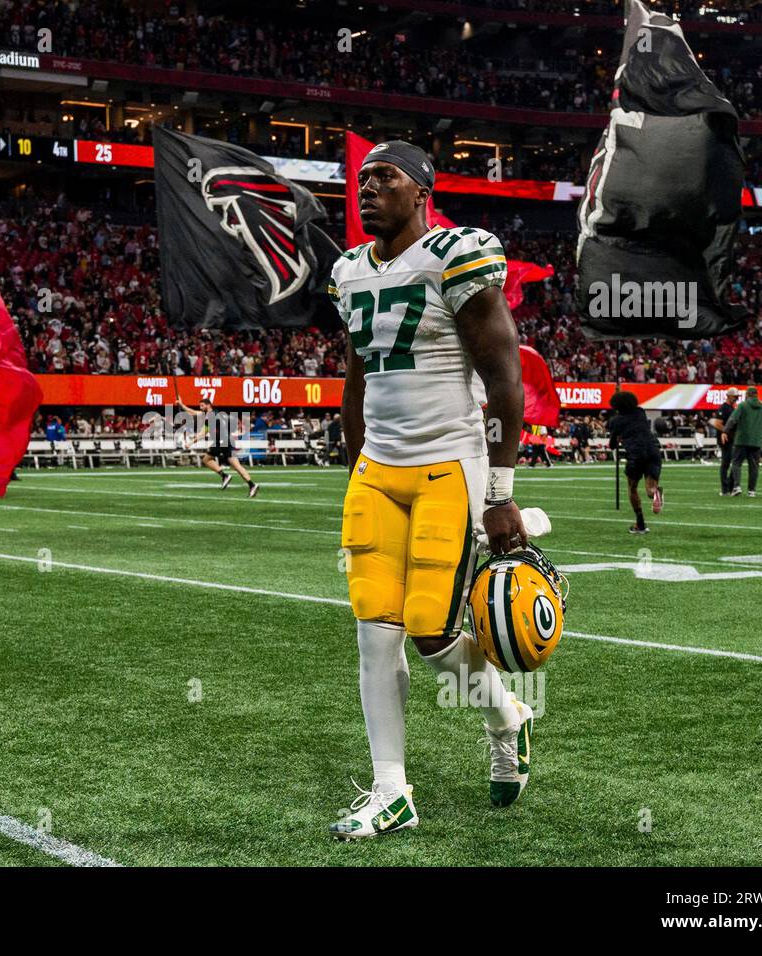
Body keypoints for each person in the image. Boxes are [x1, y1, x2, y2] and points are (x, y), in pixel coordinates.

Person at [327, 140, 533, 839]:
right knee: (372, 630)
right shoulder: (349, 271)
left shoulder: (457, 255)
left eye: (384, 178)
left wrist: (500, 491)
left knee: (433, 633)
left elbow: (505, 377)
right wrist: (357, 466)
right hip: (379, 472)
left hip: (449, 463)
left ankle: (506, 715)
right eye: (361, 180)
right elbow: (355, 384)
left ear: (421, 191)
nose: (368, 189)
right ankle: (392, 790)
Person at [176, 393, 259, 497]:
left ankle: (224, 475)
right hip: (227, 441)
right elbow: (197, 419)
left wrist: (191, 442)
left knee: (206, 459)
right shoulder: (213, 414)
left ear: (208, 405)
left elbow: (202, 429)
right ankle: (252, 485)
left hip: (220, 442)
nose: (201, 408)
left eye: (202, 406)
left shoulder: (210, 416)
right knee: (236, 466)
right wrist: (182, 406)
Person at [607, 391, 664, 533]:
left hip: (636, 454)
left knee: (632, 488)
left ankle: (640, 524)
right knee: (650, 489)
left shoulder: (615, 420)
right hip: (653, 450)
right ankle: (655, 492)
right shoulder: (640, 412)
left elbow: (613, 445)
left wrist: (618, 437)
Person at [725, 386, 762, 498]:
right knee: (754, 467)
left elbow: (733, 419)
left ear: (747, 394)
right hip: (756, 441)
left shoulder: (742, 405)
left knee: (736, 463)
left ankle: (736, 487)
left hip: (741, 440)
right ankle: (752, 490)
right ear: (757, 395)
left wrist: (725, 431)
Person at [709, 387, 739, 496]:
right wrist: (726, 431)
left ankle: (730, 486)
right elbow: (717, 423)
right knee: (726, 463)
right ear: (728, 396)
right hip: (725, 439)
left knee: (734, 462)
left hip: (731, 438)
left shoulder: (732, 408)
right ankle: (725, 488)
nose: (736, 399)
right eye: (734, 397)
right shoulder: (724, 408)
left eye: (736, 397)